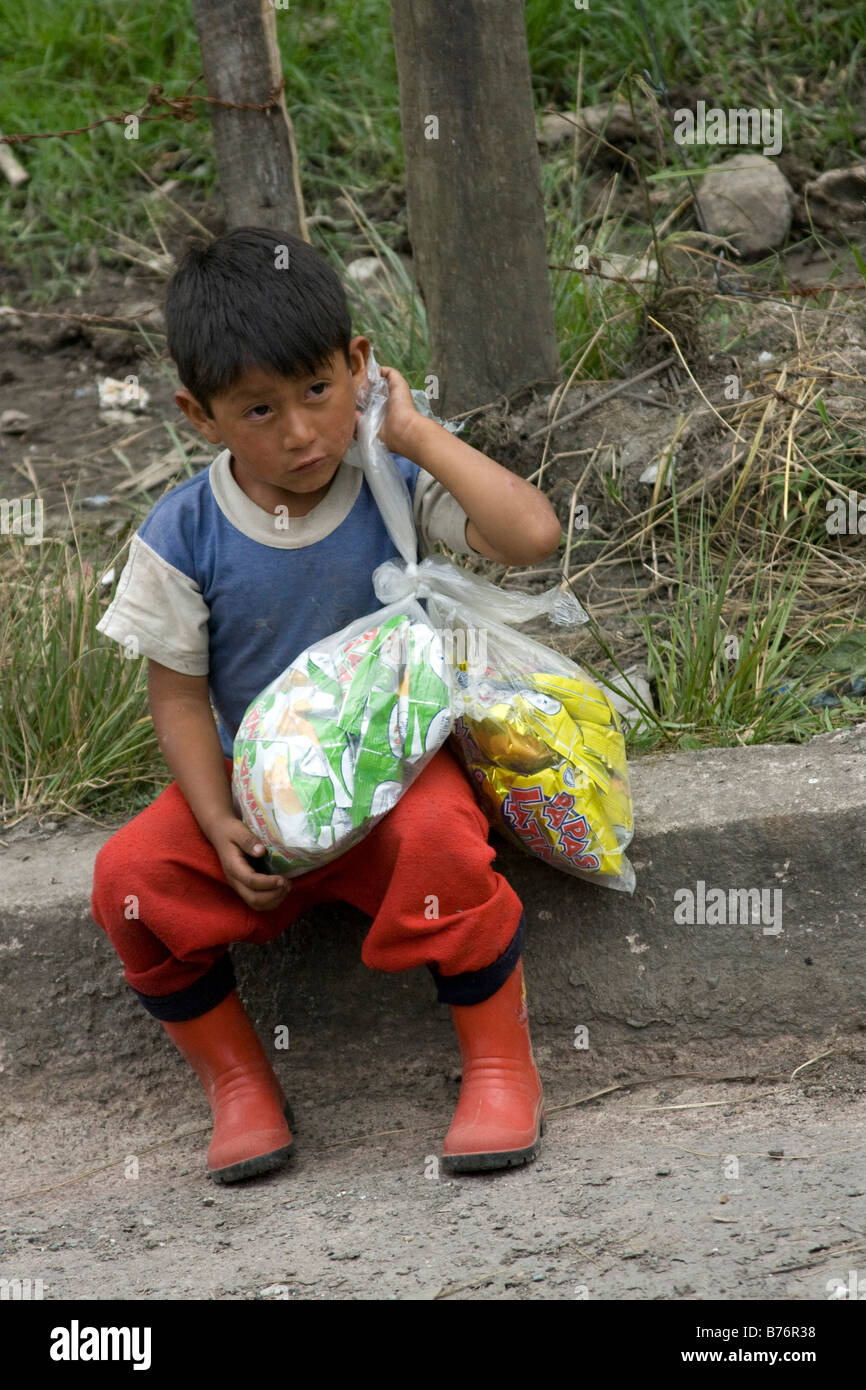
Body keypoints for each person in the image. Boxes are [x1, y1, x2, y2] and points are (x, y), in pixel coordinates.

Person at [90, 226, 563, 1184]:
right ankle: (238, 1086)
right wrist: (218, 821)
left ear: (359, 366)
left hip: (394, 786)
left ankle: (501, 1066)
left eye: (317, 390)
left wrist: (415, 432)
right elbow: (178, 698)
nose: (301, 433)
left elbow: (533, 535)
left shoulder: (386, 482)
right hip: (260, 805)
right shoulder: (184, 533)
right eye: (258, 410)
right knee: (128, 880)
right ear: (201, 415)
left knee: (440, 844)